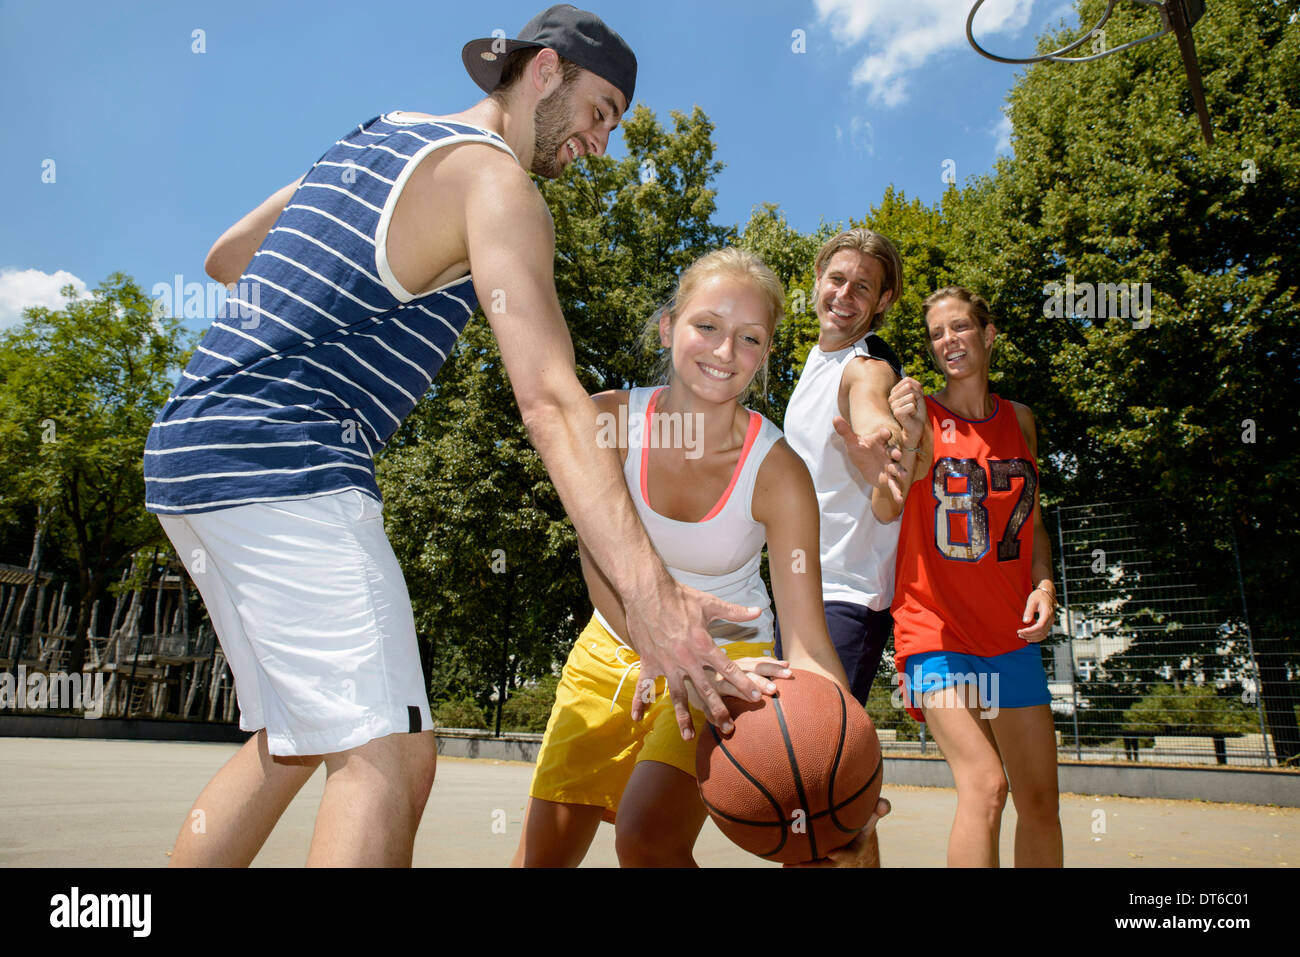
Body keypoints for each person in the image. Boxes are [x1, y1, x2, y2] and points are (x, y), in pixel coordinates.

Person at [144, 5, 767, 868]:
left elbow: (226, 255)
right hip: (285, 455)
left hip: (192, 445)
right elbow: (551, 401)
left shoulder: (382, 132)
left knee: (295, 740)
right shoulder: (497, 185)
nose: (601, 142)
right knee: (385, 757)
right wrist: (653, 595)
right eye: (599, 113)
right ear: (544, 70)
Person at [511, 249, 889, 868]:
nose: (723, 350)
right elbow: (597, 559)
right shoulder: (607, 422)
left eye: (749, 338)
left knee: (645, 840)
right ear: (668, 327)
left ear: (764, 354)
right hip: (611, 648)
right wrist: (656, 641)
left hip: (726, 663)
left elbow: (808, 647)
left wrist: (849, 768)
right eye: (707, 325)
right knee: (540, 857)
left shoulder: (780, 472)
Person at [878, 286, 1063, 867]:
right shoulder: (920, 420)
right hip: (935, 633)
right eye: (936, 333)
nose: (948, 341)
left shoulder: (1023, 422)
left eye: (959, 327)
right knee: (985, 786)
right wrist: (901, 442)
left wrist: (1044, 584)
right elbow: (885, 505)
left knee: (1040, 801)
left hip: (1010, 635)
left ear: (988, 334)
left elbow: (1031, 522)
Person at [774, 228, 908, 867]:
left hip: (844, 599)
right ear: (818, 279)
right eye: (837, 278)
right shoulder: (814, 362)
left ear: (883, 302)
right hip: (804, 594)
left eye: (864, 286)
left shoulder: (866, 363)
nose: (846, 295)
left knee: (814, 784)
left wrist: (879, 438)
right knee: (817, 788)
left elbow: (872, 405)